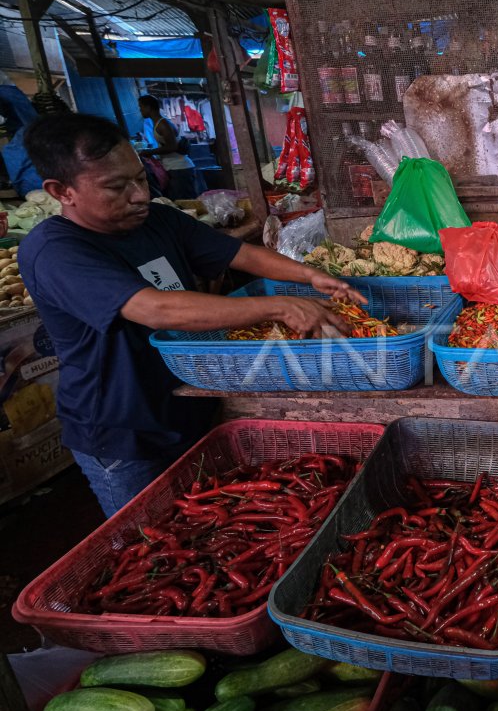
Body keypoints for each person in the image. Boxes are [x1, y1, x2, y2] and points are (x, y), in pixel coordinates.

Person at [18, 112, 364, 517]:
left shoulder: (158, 220)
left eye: (140, 178)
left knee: (217, 517)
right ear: (62, 191)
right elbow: (154, 308)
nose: (139, 195)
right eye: (116, 187)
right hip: (123, 429)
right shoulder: (55, 251)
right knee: (148, 541)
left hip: (191, 403)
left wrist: (314, 277)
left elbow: (241, 253)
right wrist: (282, 305)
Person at [137, 95, 200, 200]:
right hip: (175, 168)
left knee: (185, 204)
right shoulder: (159, 123)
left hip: (180, 168)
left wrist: (149, 152)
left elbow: (172, 146)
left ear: (148, 107)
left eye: (141, 107)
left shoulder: (163, 124)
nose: (140, 110)